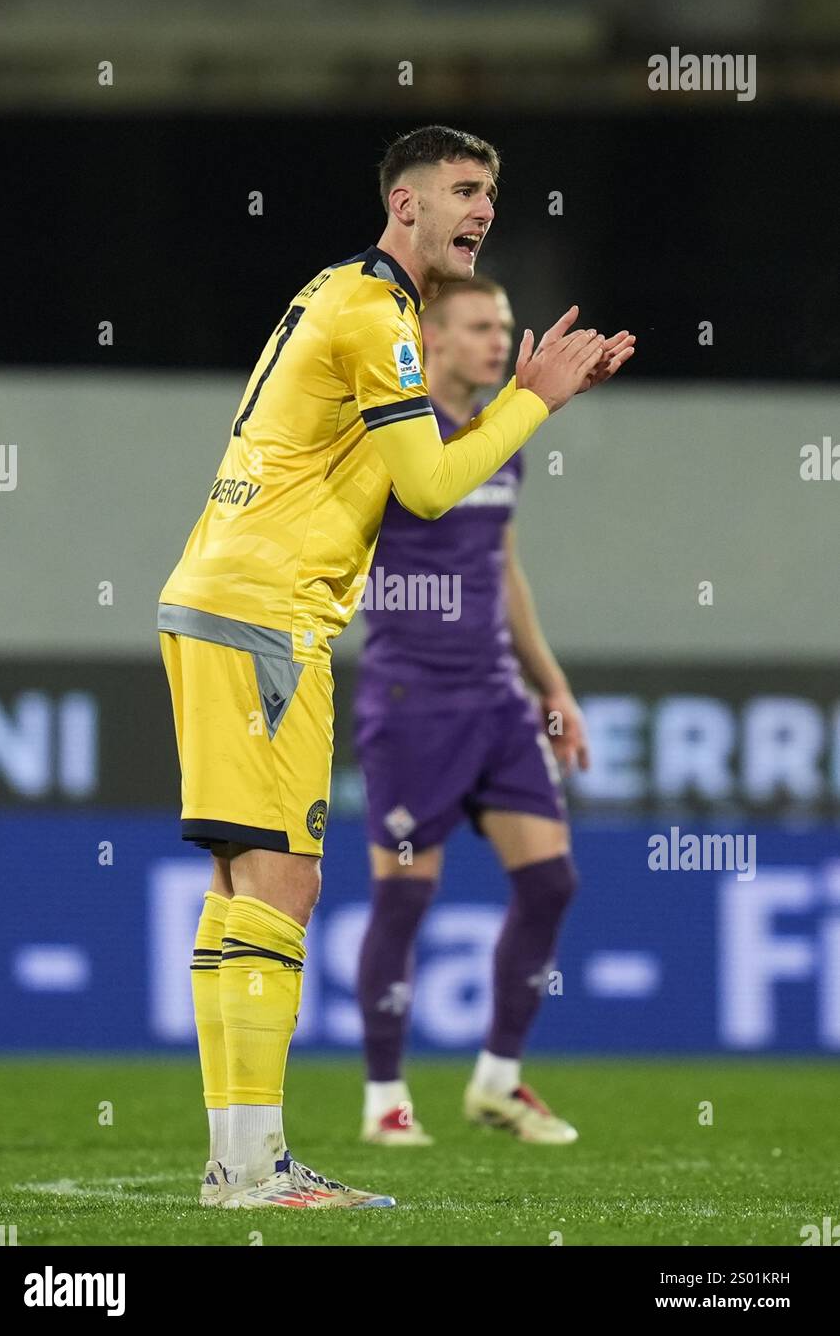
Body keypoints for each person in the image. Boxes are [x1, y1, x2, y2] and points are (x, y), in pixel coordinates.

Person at [157, 124, 634, 1210]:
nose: (483, 211)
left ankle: (238, 1163)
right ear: (404, 204)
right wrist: (535, 401)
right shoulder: (377, 312)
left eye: (492, 196)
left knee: (242, 881)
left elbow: (404, 455)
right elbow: (425, 486)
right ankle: (252, 1171)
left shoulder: (343, 296)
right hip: (267, 611)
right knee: (281, 878)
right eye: (464, 190)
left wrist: (525, 399)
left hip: (215, 595)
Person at [356, 277, 603, 1146]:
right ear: (430, 338)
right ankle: (385, 1099)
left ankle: (498, 1080)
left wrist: (552, 687)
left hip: (498, 700)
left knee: (550, 882)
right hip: (410, 700)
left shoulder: (505, 438)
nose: (499, 340)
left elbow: (502, 574)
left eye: (503, 324)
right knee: (404, 902)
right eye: (479, 326)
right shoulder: (387, 437)